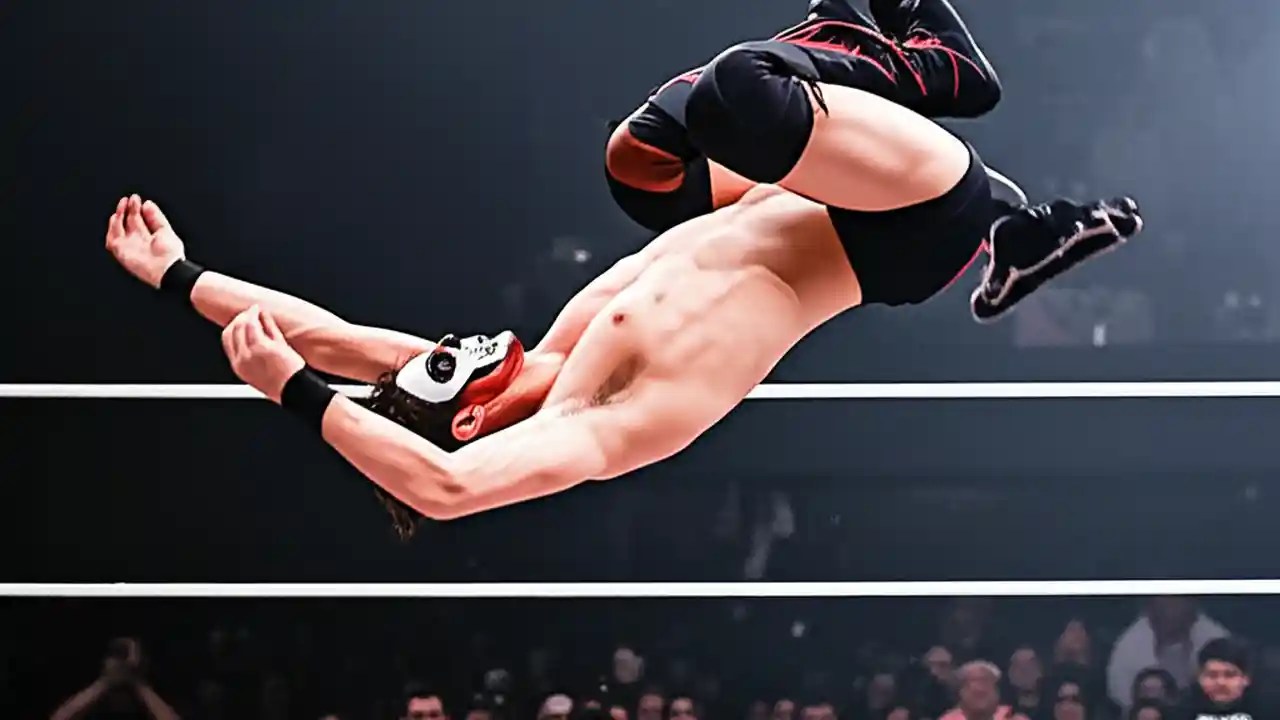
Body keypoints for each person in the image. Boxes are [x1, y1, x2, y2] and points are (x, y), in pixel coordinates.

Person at [104, 1, 1141, 533]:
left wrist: (177, 276)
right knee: (742, 89)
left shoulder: (540, 354)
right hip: (903, 224)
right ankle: (950, 89)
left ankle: (1015, 226)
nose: (449, 345)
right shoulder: (594, 422)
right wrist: (294, 394)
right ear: (467, 415)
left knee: (638, 160)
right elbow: (441, 490)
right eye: (441, 372)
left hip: (818, 193)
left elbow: (320, 329)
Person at [604, 0, 1141, 320]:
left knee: (740, 87)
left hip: (691, 168)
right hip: (700, 159)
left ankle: (1013, 223)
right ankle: (1015, 224)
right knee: (741, 88)